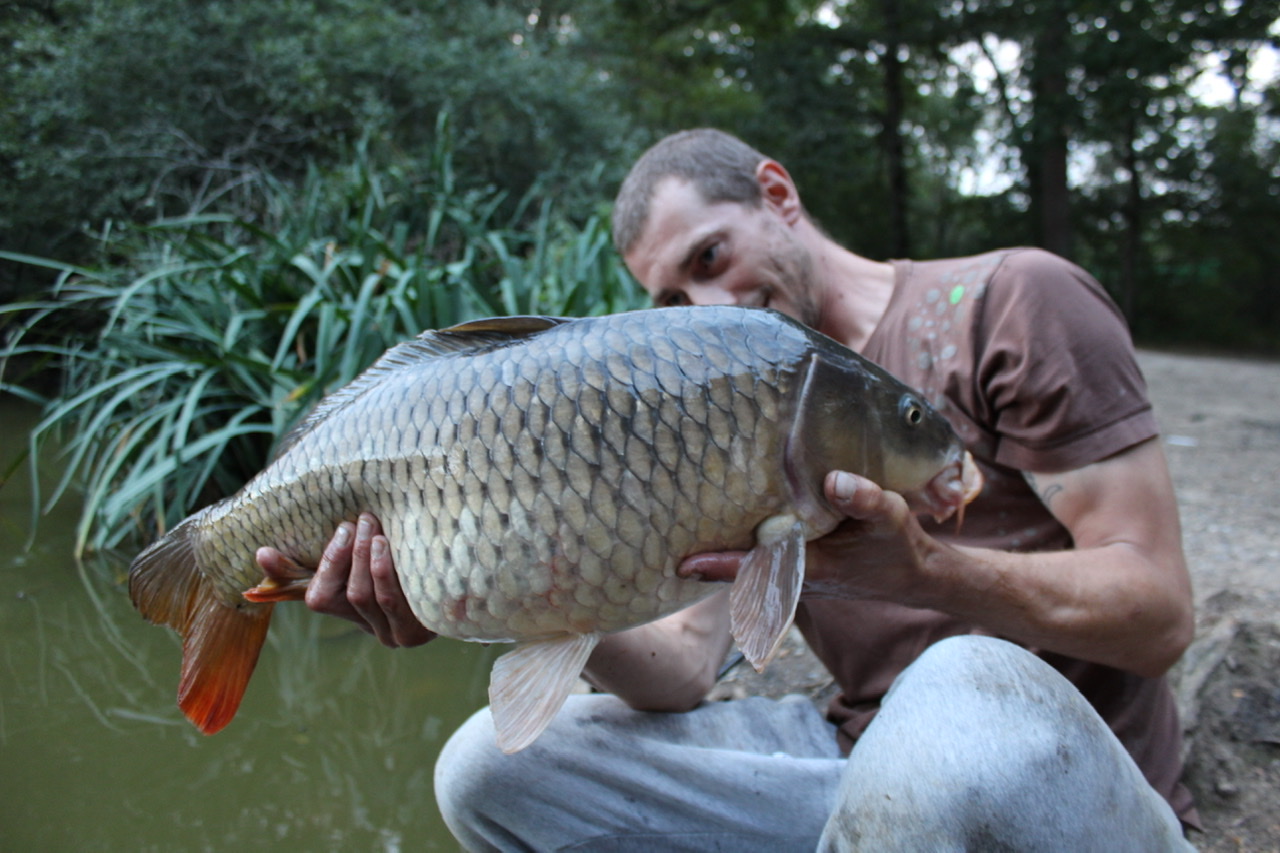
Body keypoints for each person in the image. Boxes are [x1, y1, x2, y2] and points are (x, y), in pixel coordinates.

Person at [257, 129, 1198, 850]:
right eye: (671, 301)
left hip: (1058, 785)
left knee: (946, 691)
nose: (705, 312)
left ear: (777, 195)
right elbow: (681, 673)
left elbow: (1159, 616)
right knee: (486, 769)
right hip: (855, 768)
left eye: (709, 258)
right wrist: (523, 594)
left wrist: (929, 571)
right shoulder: (707, 405)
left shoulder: (1014, 302)